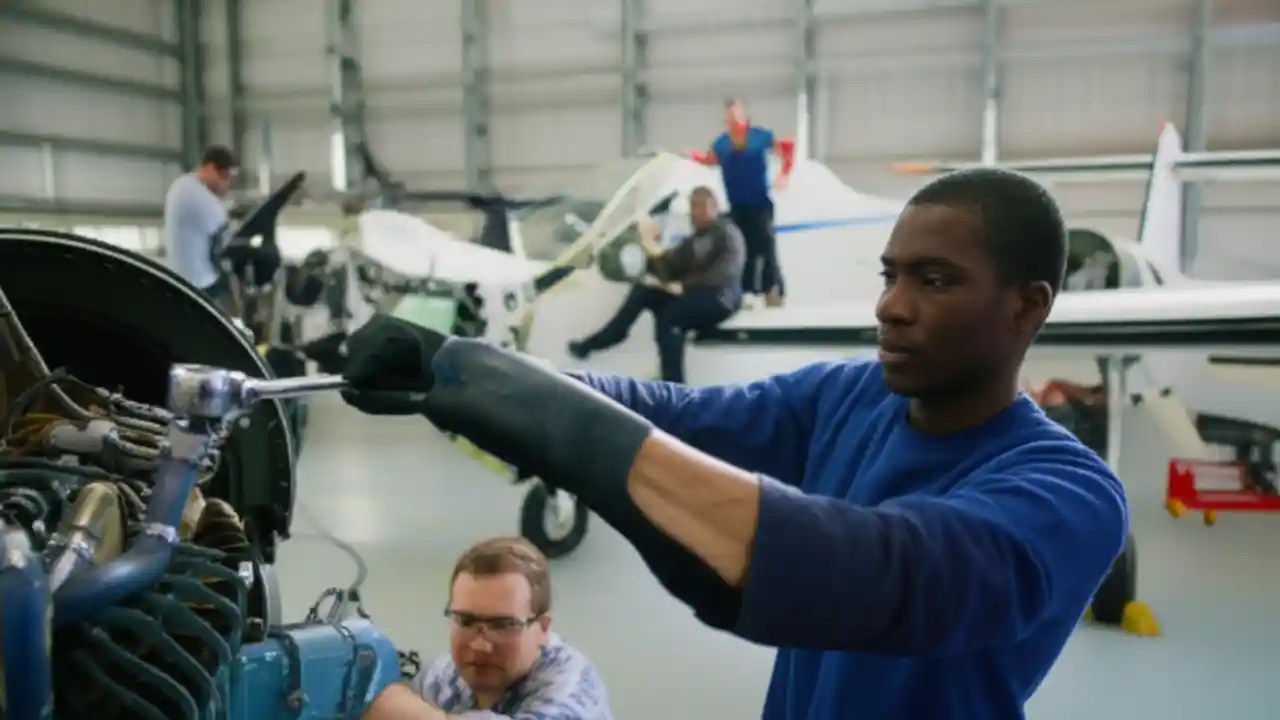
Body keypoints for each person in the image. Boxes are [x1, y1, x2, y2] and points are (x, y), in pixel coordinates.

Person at [340, 168, 1129, 719]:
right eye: (890, 275)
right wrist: (474, 375)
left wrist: (556, 423)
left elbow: (885, 572)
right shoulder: (852, 395)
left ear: (1027, 307)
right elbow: (683, 414)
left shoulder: (1070, 494)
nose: (891, 306)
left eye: (933, 280)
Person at [363, 537, 611, 719]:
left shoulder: (574, 692)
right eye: (466, 621)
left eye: (503, 625)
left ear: (543, 628)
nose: (480, 644)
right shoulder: (443, 676)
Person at [567, 186, 745, 383]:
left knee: (670, 318)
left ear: (715, 207)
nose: (695, 213)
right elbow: (670, 268)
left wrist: (683, 285)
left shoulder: (725, 232)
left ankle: (674, 387)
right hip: (699, 294)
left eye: (701, 207)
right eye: (692, 207)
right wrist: (648, 246)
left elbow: (722, 272)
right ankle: (608, 337)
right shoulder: (696, 239)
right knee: (643, 292)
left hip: (720, 298)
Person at [690, 97, 794, 308]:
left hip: (760, 203)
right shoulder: (721, 143)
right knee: (741, 249)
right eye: (729, 115)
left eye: (736, 114)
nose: (733, 119)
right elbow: (709, 160)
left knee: (766, 246)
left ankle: (772, 289)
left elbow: (788, 147)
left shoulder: (760, 136)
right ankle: (745, 291)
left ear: (744, 115)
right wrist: (691, 156)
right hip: (737, 206)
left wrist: (784, 174)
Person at [162, 145, 237, 310]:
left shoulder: (189, 186)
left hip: (199, 281)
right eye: (225, 177)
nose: (227, 184)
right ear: (209, 169)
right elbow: (220, 222)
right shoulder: (188, 189)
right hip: (194, 286)